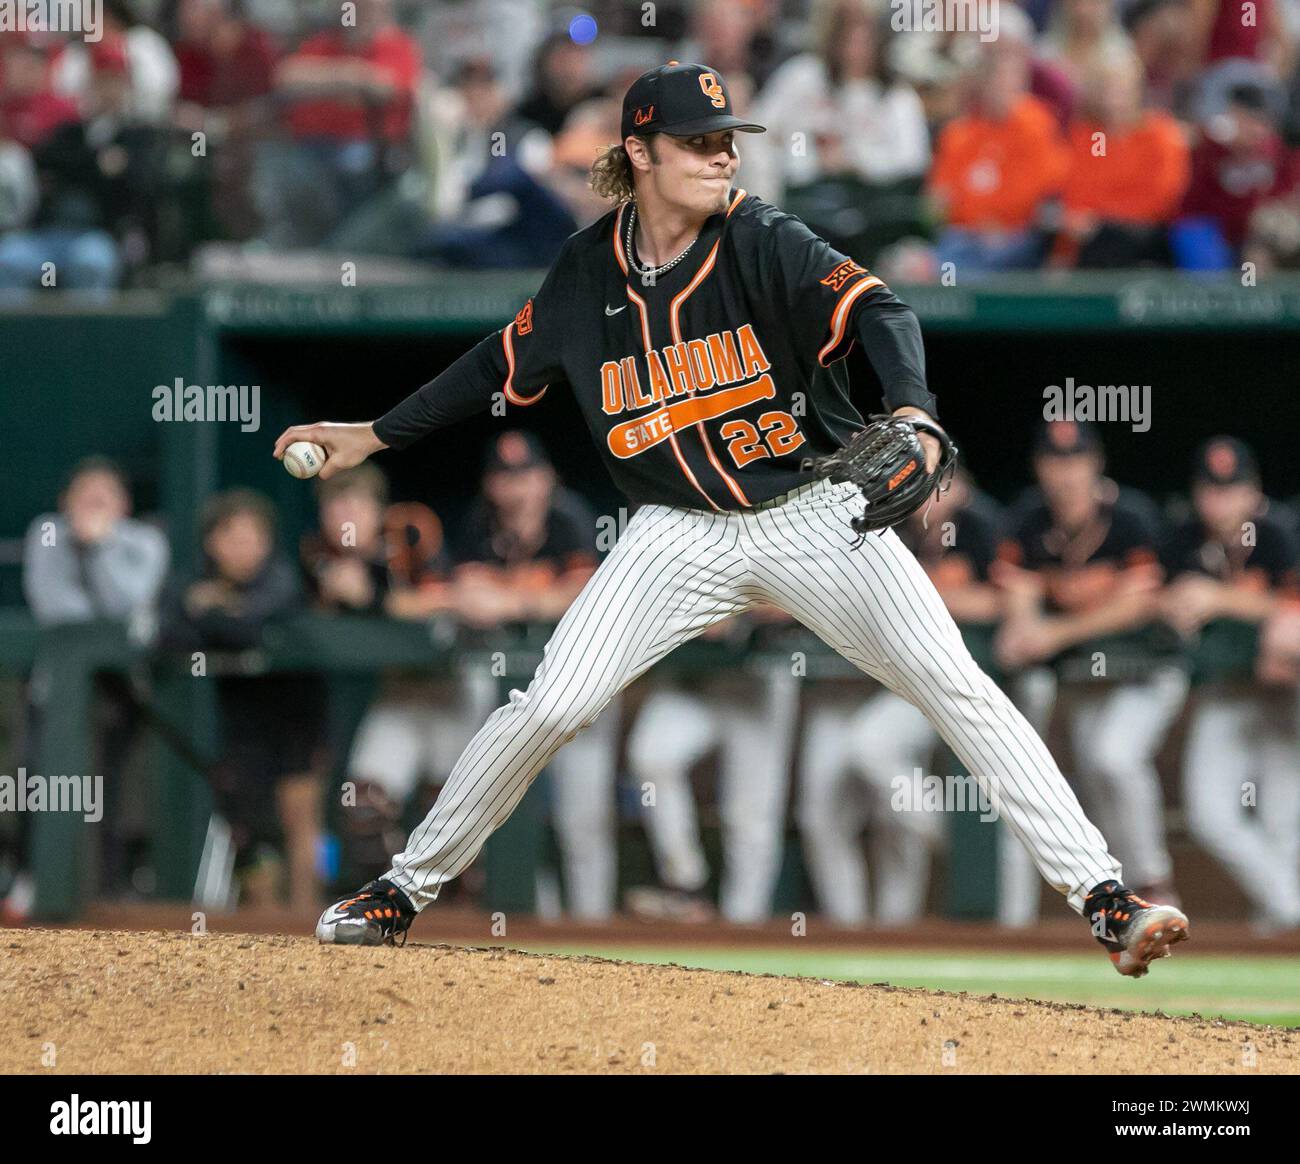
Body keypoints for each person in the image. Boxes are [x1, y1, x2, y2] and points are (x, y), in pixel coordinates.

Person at [278, 61, 1189, 977]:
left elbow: (882, 309)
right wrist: (374, 435)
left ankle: (1105, 900)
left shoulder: (762, 238)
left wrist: (910, 406)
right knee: (551, 703)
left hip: (811, 510)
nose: (720, 157)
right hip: (674, 532)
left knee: (956, 684)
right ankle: (401, 890)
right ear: (639, 151)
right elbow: (494, 365)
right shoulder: (586, 270)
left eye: (726, 140)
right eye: (698, 142)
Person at [994, 422, 1186, 920]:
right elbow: (1019, 600)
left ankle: (1154, 881)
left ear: (1095, 463)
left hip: (1146, 673)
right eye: (1055, 462)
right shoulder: (1027, 519)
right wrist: (1024, 626)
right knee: (1096, 788)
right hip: (1082, 684)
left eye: (1075, 461)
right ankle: (1127, 904)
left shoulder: (1131, 516)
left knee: (1113, 758)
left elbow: (1139, 604)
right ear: (1040, 467)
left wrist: (1055, 632)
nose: (1065, 473)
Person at [797, 468, 1003, 926]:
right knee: (831, 811)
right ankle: (852, 928)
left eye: (935, 484)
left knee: (876, 759)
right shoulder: (883, 525)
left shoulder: (979, 525)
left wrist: (919, 597)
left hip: (948, 685)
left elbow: (999, 602)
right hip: (874, 684)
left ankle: (910, 905)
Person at [14, 457, 169, 909]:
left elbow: (129, 607)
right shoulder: (47, 532)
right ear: (66, 502)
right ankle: (32, 884)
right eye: (86, 495)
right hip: (53, 691)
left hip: (121, 692)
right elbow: (54, 610)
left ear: (123, 505)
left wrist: (99, 549)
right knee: (35, 783)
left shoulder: (144, 541)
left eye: (106, 496)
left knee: (112, 793)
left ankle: (108, 891)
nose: (94, 504)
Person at [159, 489, 324, 911]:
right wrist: (212, 611)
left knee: (300, 818)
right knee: (247, 828)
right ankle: (267, 931)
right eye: (232, 536)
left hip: (296, 712)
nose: (244, 547)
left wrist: (212, 610)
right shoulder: (194, 580)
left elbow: (250, 625)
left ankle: (311, 919)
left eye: (253, 537)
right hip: (241, 723)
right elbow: (170, 632)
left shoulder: (282, 577)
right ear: (212, 543)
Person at [1160, 438, 1300, 932]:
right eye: (1211, 490)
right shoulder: (1183, 537)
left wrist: (1219, 599)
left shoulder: (1281, 531)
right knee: (1207, 814)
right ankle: (1287, 909)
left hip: (1285, 696)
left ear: (1253, 490)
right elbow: (1162, 603)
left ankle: (1278, 929)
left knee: (1283, 818)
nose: (1221, 502)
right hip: (1224, 692)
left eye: (1232, 489)